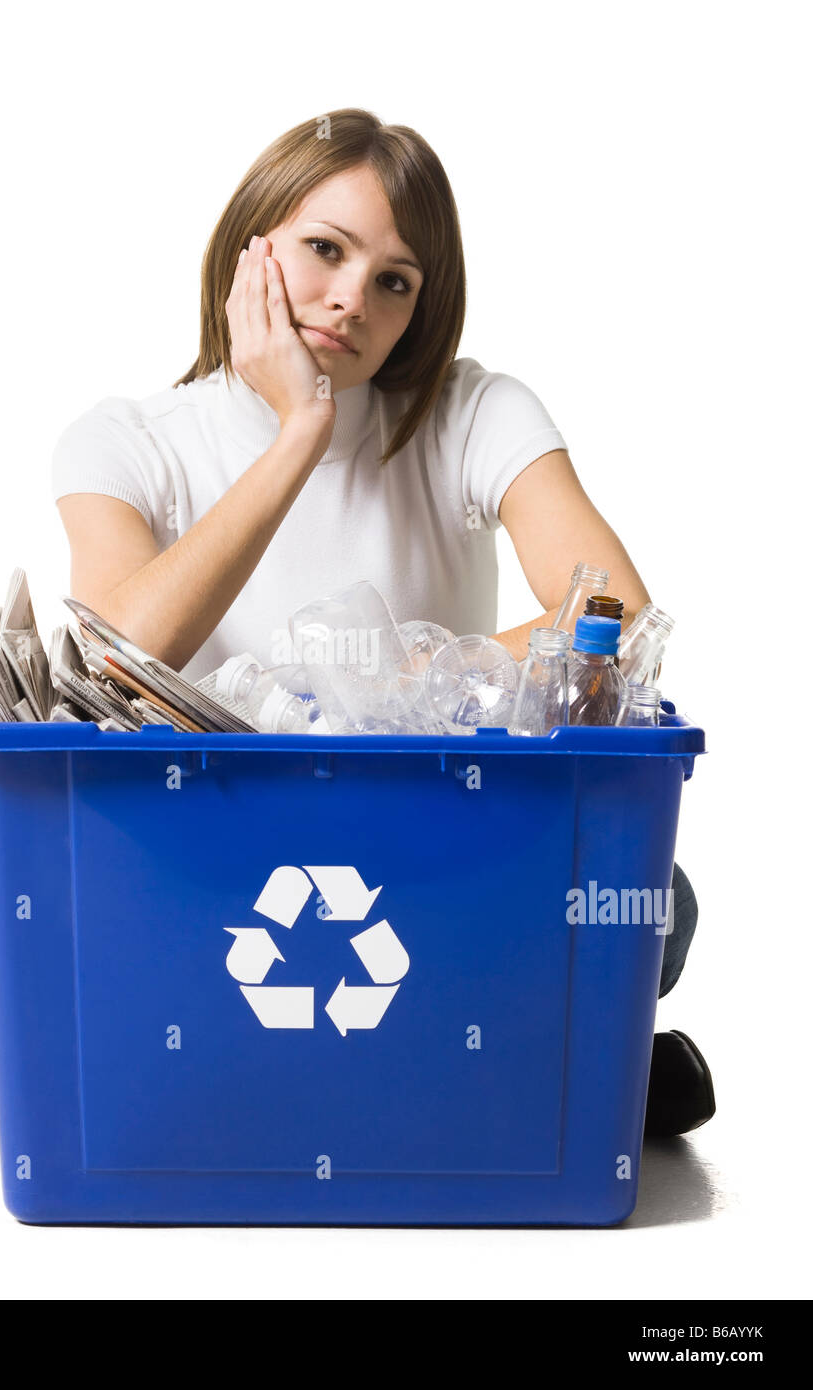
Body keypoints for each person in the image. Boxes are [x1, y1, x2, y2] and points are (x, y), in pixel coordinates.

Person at [51, 108, 714, 1138]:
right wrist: (299, 431)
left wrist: (423, 680)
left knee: (651, 897)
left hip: (436, 853)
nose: (351, 297)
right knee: (51, 913)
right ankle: (568, 1067)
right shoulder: (126, 443)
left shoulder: (470, 411)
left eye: (395, 281)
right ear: (249, 247)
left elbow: (610, 608)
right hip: (213, 862)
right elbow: (117, 663)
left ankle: (532, 1061)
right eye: (325, 250)